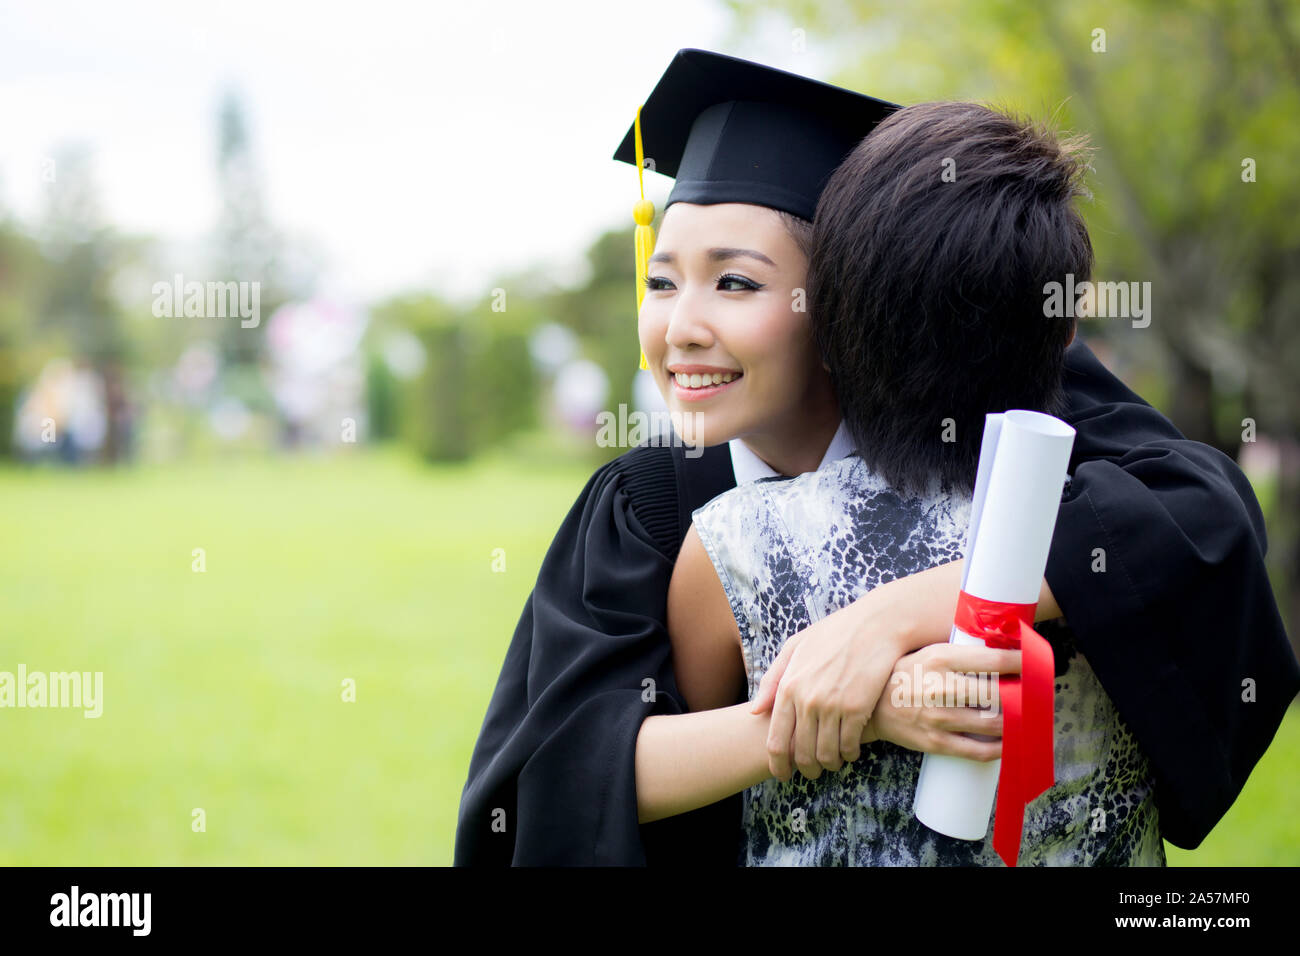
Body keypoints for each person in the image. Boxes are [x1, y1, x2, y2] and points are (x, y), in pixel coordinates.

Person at [453, 49, 1298, 866]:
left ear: (848, 304)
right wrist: (844, 708)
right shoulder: (652, 504)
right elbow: (559, 775)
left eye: (736, 283)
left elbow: (1202, 510)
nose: (680, 328)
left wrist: (893, 617)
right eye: (664, 281)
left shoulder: (993, 401)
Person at [665, 101, 1168, 865]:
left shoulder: (732, 547)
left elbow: (694, 815)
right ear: (1066, 333)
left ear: (828, 322)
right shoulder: (1131, 549)